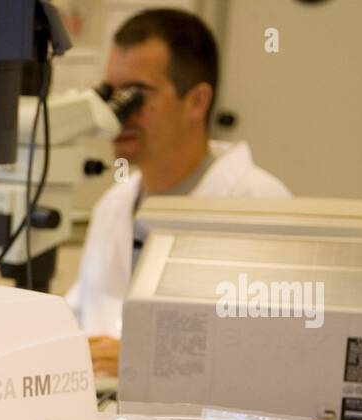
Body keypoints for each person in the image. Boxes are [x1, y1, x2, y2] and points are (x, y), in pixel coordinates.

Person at [68, 8, 291, 376]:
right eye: (111, 93)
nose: (116, 115)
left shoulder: (261, 206)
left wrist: (145, 358)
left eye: (135, 95)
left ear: (197, 101)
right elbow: (80, 317)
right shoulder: (113, 205)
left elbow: (281, 354)